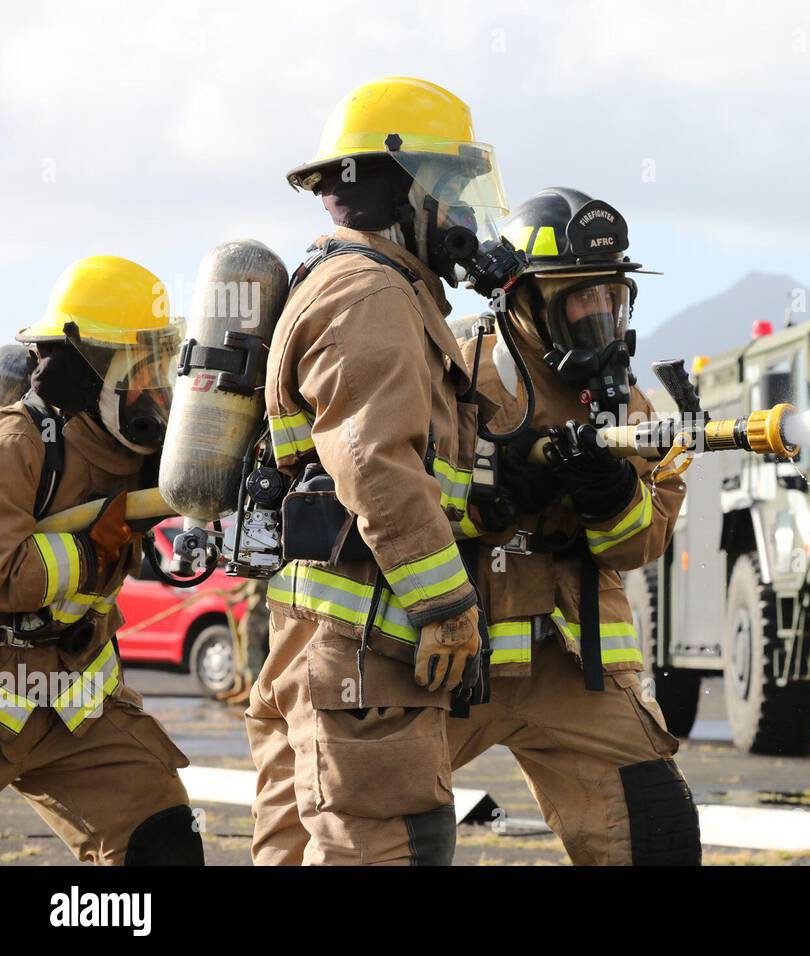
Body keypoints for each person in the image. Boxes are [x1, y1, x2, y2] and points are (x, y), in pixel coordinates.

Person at [246, 77, 508, 865]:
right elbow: (375, 461)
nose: (464, 215)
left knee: (300, 849)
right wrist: (446, 606)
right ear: (401, 186)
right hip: (364, 658)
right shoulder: (370, 292)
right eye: (452, 189)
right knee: (389, 846)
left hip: (322, 648)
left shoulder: (353, 283)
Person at [451, 187, 701, 865]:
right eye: (579, 298)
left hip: (571, 665)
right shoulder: (450, 368)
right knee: (372, 827)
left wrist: (607, 489)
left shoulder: (635, 408)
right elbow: (386, 488)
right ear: (523, 299)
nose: (599, 315)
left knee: (656, 836)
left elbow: (639, 544)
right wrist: (497, 491)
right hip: (447, 663)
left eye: (610, 297)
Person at [0, 255, 203, 865]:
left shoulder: (140, 460)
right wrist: (96, 550)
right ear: (93, 370)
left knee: (160, 847)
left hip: (73, 709)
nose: (159, 393)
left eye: (165, 371)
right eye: (144, 372)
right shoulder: (18, 445)